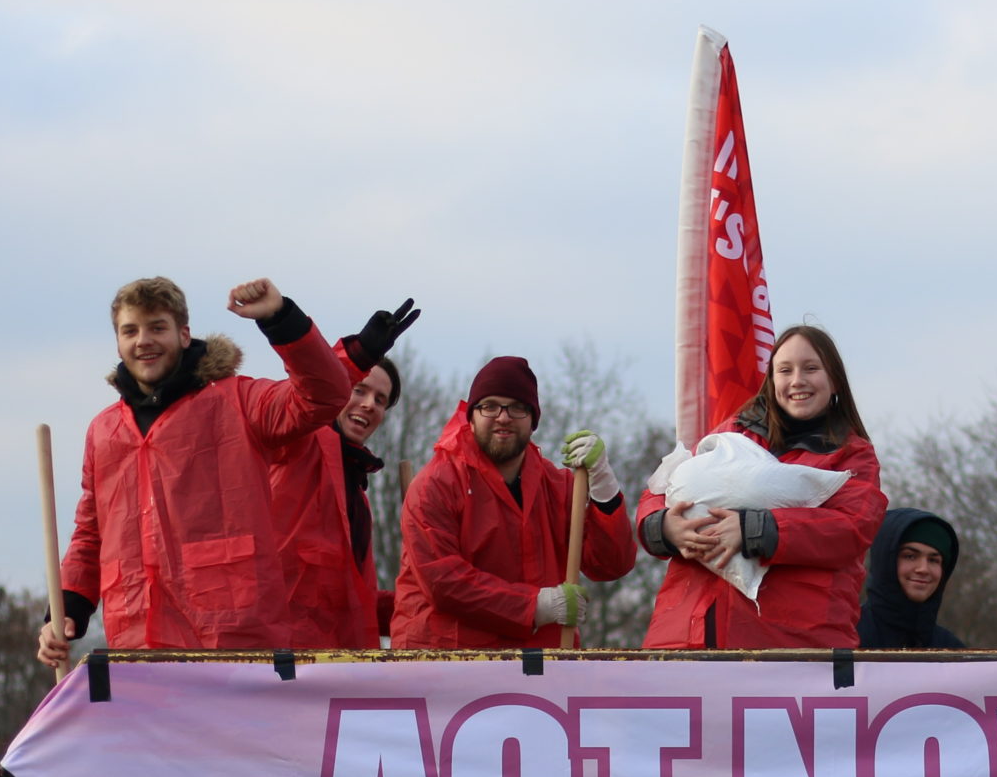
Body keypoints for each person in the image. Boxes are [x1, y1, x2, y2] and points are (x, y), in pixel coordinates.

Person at [39, 275, 349, 669]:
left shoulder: (238, 401)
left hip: (234, 646)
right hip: (136, 649)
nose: (142, 341)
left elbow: (325, 394)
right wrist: (65, 610)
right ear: (117, 341)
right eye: (129, 330)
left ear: (184, 335)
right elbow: (91, 532)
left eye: (157, 328)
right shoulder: (103, 431)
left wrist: (280, 318)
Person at [637, 324, 887, 648]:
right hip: (685, 634)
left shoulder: (853, 456)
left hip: (792, 646)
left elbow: (853, 527)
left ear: (835, 379)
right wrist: (662, 527)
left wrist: (758, 529)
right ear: (772, 380)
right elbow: (661, 489)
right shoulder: (729, 435)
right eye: (785, 370)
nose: (797, 380)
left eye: (811, 368)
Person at [385, 355, 638, 649]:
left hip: (540, 664)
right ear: (472, 415)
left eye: (517, 407)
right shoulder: (435, 484)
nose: (503, 417)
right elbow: (444, 582)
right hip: (448, 664)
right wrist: (536, 606)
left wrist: (604, 487)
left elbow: (611, 565)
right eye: (489, 406)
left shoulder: (560, 487)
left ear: (533, 421)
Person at [270, 301, 420, 649]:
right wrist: (358, 355)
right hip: (284, 661)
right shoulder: (297, 445)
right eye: (359, 390)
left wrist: (415, 605)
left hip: (337, 668)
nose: (369, 404)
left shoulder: (357, 492)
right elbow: (312, 387)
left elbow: (352, 601)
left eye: (381, 400)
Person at [858, 509, 964, 649]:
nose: (923, 569)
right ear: (885, 561)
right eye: (910, 556)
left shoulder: (952, 652)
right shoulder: (844, 640)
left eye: (933, 560)